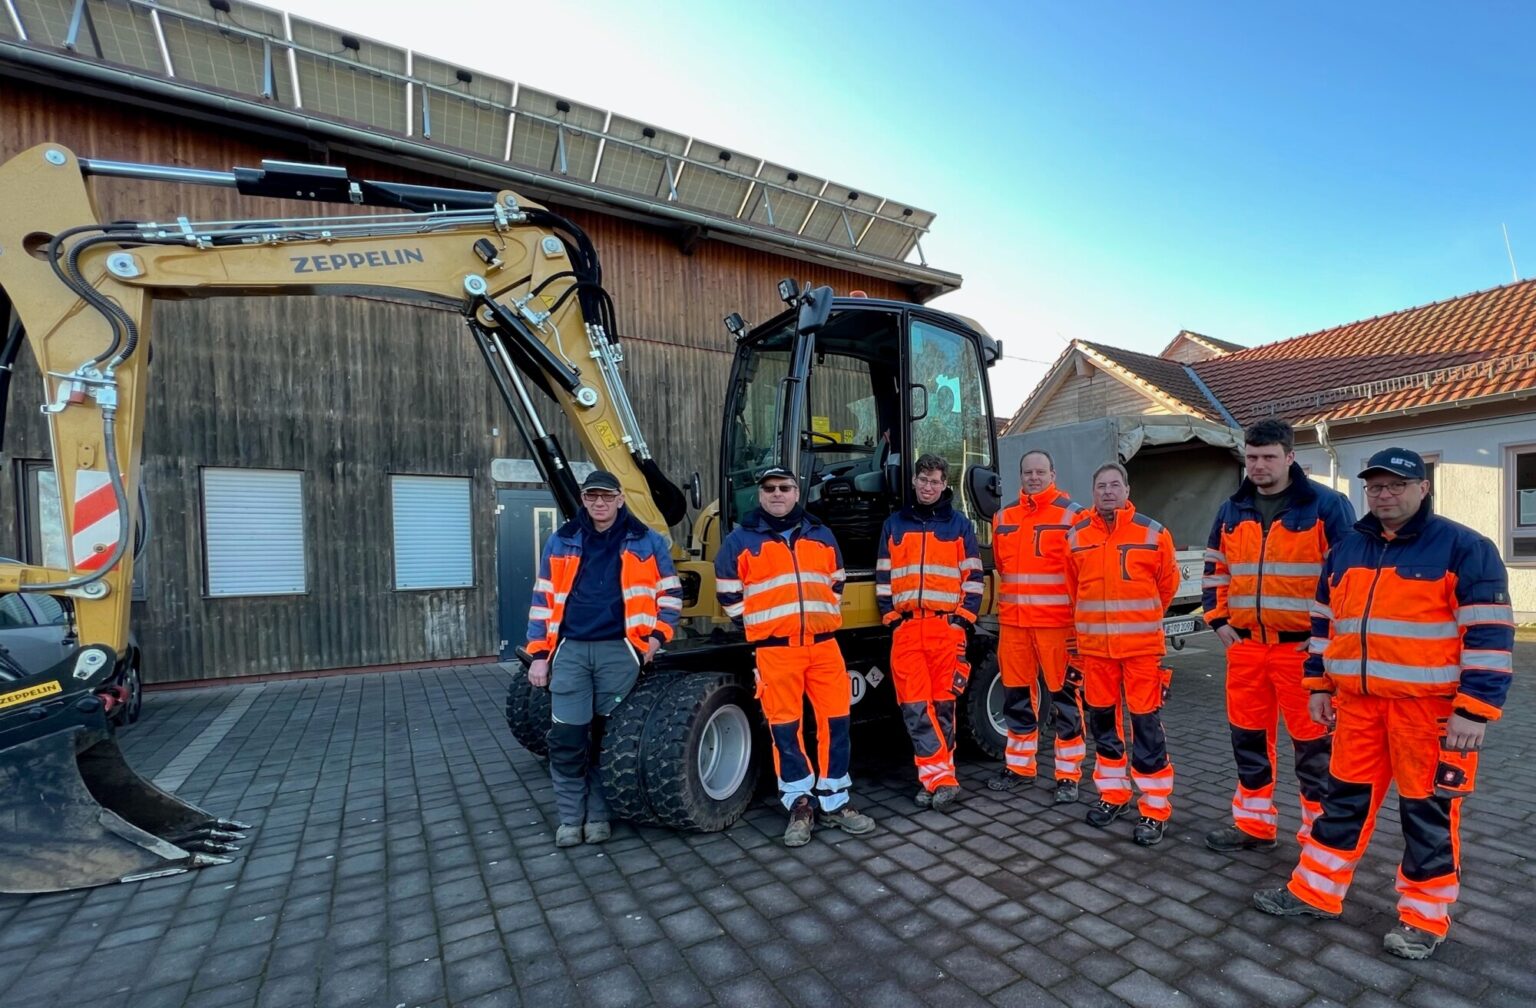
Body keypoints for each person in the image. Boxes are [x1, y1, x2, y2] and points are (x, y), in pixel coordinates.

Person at [1253, 448, 1513, 960]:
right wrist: (1319, 685)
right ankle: (1315, 892)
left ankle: (1424, 917)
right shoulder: (1348, 548)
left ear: (1423, 488)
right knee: (1342, 803)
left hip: (1430, 715)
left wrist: (1475, 708)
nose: (1384, 494)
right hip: (1357, 708)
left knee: (1427, 815)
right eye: (1375, 486)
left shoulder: (1465, 547)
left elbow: (1489, 633)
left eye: (1397, 485)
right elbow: (1325, 623)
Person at [1202, 420, 1355, 852]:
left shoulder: (1326, 505)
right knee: (1248, 741)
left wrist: (1327, 638)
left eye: (1269, 456)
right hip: (1246, 648)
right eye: (1252, 457)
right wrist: (1218, 620)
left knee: (1314, 749)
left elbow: (1349, 579)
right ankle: (1254, 825)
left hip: (1301, 652)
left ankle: (1319, 839)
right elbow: (1215, 569)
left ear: (1290, 457)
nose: (1259, 465)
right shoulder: (1232, 509)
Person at [716, 466, 876, 847]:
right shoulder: (740, 541)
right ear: (760, 494)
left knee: (836, 724)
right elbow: (727, 592)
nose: (777, 493)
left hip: (824, 647)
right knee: (786, 730)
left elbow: (836, 582)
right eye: (770, 488)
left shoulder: (821, 534)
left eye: (784, 487)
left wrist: (820, 616)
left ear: (796, 491)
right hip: (776, 652)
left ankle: (835, 801)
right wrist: (759, 626)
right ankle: (800, 804)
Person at [526, 470, 683, 847]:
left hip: (620, 651)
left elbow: (670, 595)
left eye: (607, 496)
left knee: (603, 737)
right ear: (583, 499)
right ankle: (569, 819)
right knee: (568, 738)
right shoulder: (563, 540)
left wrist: (654, 641)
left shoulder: (647, 540)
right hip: (571, 651)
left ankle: (598, 815)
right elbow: (543, 598)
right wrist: (539, 655)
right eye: (592, 496)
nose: (599, 503)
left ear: (620, 499)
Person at [1064, 462, 1179, 846]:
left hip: (1141, 651)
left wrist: (1140, 620)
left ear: (1127, 490)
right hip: (1096, 651)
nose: (1108, 491)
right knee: (1104, 726)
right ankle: (1113, 794)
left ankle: (1155, 808)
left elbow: (1167, 586)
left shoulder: (1153, 533)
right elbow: (1073, 588)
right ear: (1093, 492)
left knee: (1146, 727)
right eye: (1101, 486)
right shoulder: (1077, 536)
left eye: (1115, 485)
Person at [875, 453, 984, 811]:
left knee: (943, 707)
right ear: (914, 481)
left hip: (945, 628)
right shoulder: (894, 524)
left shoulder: (959, 525)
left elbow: (973, 577)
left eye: (935, 481)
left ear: (944, 485)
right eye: (923, 480)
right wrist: (892, 618)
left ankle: (934, 778)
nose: (928, 487)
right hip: (907, 629)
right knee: (915, 708)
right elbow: (883, 577)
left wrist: (962, 620)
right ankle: (942, 778)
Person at [987, 449, 1088, 804]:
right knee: (1016, 698)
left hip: (1057, 626)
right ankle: (1019, 767)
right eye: (1028, 472)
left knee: (1066, 700)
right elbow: (1003, 566)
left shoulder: (1074, 516)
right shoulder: (1003, 517)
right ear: (1020, 476)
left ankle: (1068, 775)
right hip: (1014, 625)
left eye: (1040, 472)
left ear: (1053, 474)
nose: (1033, 477)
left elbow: (1083, 571)